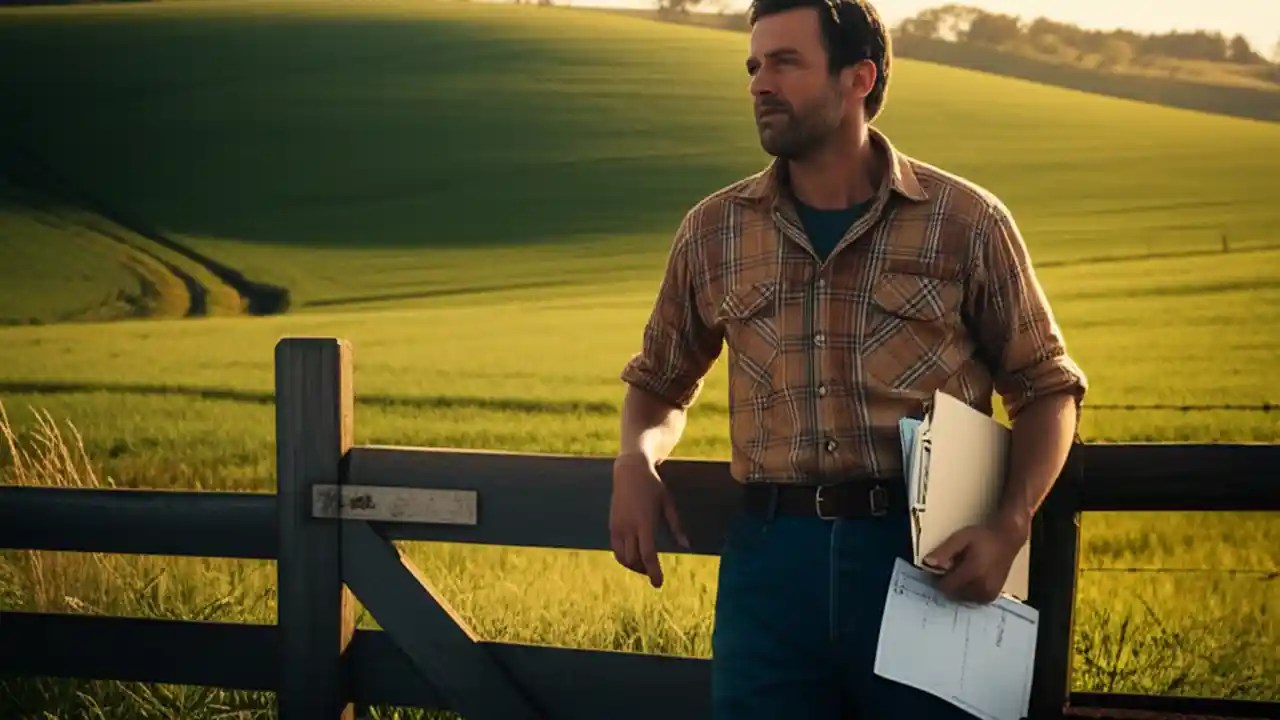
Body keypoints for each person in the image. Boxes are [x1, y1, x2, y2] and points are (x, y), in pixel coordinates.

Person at [608, 0, 1088, 716]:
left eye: (785, 62)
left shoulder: (967, 221)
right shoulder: (714, 232)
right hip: (771, 567)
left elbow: (1046, 388)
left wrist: (1010, 523)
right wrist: (635, 461)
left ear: (858, 77)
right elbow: (660, 384)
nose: (758, 84)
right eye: (753, 65)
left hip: (931, 562)